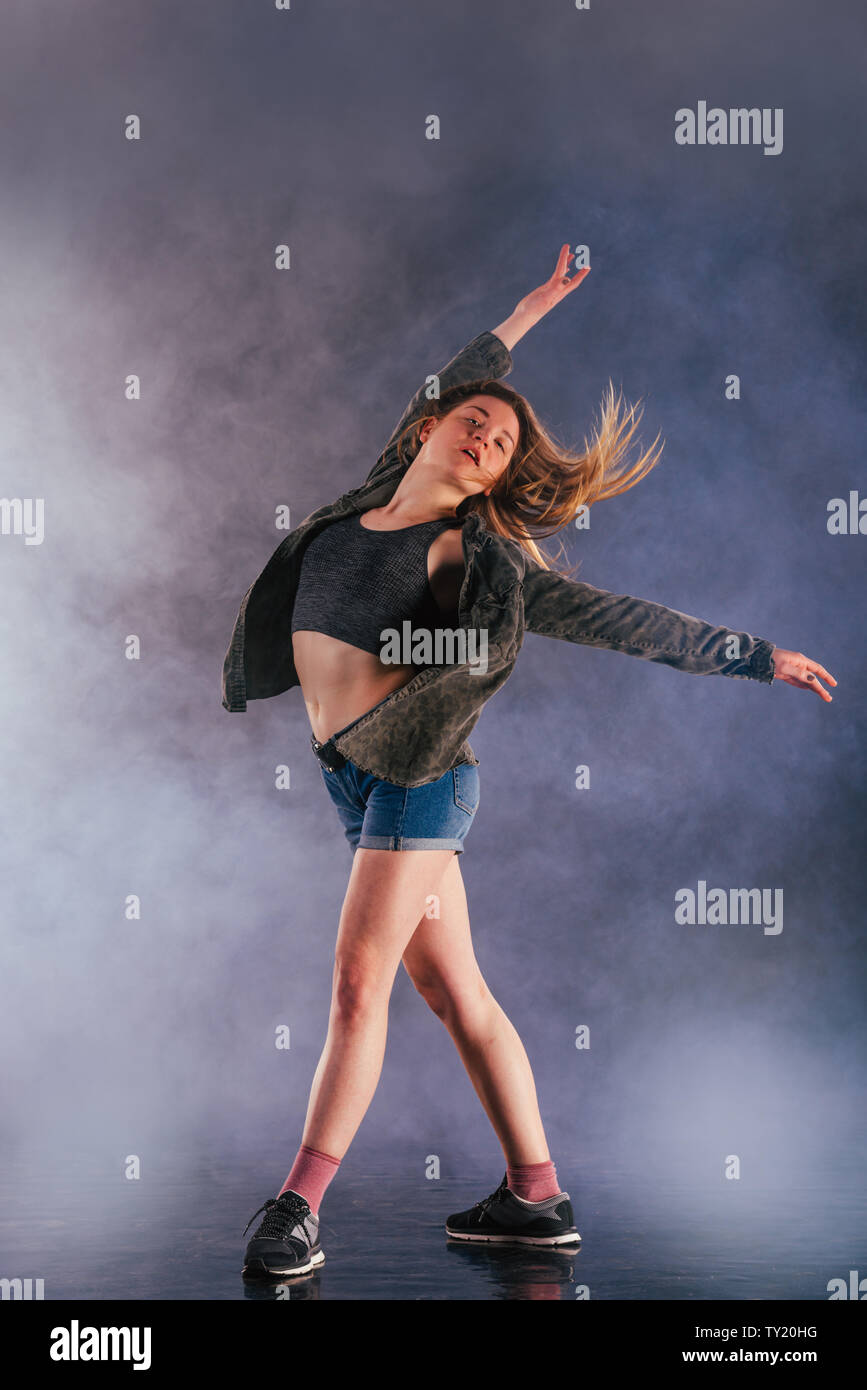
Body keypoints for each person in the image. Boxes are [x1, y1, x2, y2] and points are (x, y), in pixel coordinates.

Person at [231, 246, 837, 1278]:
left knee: (355, 979)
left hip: (419, 781)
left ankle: (298, 1204)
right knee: (457, 992)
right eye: (476, 419)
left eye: (505, 442)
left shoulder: (475, 555)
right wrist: (529, 307)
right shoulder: (377, 490)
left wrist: (753, 656)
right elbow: (465, 367)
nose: (487, 436)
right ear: (430, 425)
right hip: (358, 778)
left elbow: (611, 616)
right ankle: (538, 1198)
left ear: (498, 476)